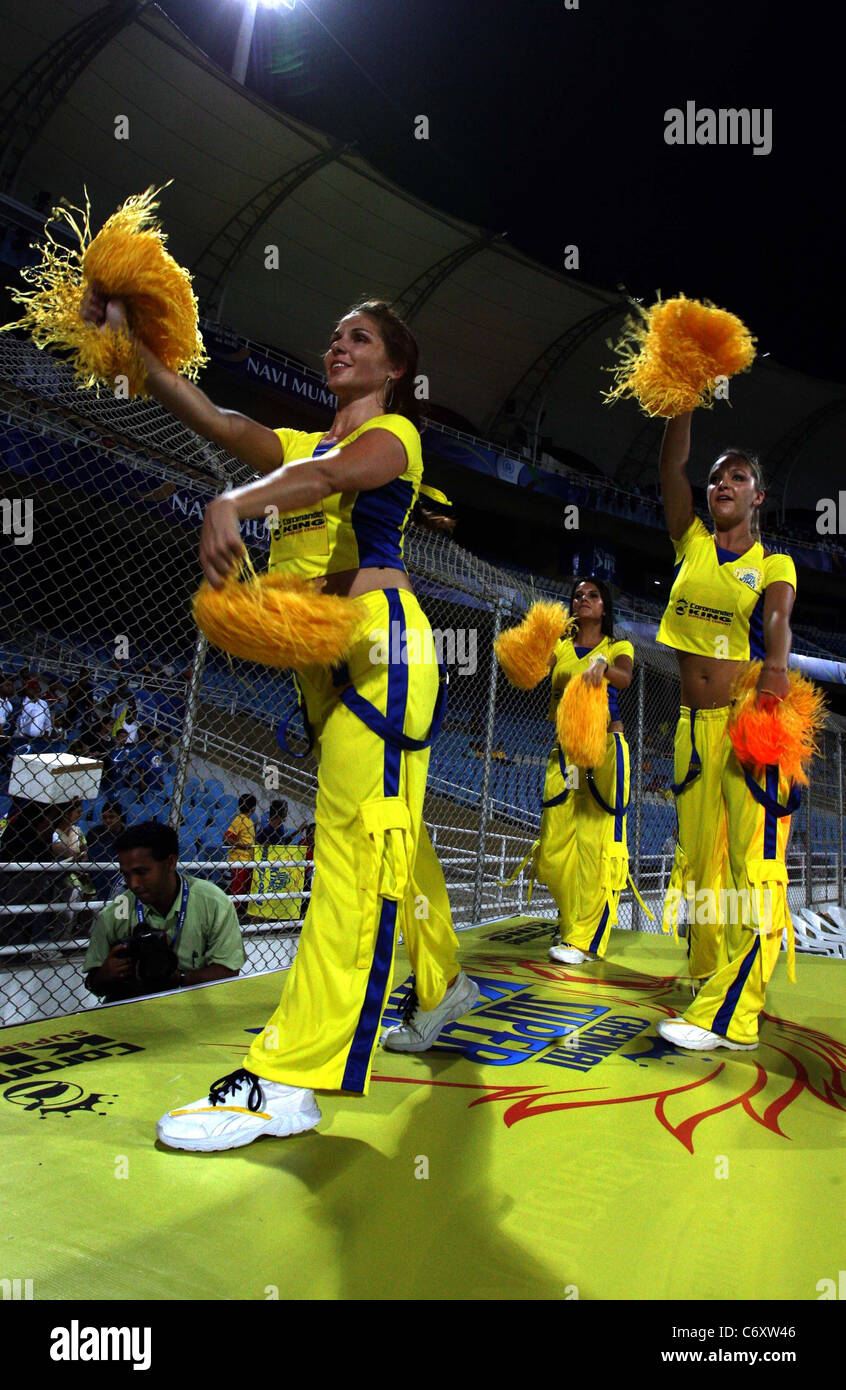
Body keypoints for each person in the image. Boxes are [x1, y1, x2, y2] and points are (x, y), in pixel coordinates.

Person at [82, 287, 475, 1150]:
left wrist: (233, 504)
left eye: (360, 337)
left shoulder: (392, 437)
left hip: (382, 651)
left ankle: (294, 1077)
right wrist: (135, 351)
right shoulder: (299, 440)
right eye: (333, 334)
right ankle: (443, 985)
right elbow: (220, 420)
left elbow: (329, 478)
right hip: (320, 669)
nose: (338, 345)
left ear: (395, 366)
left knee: (350, 851)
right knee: (392, 835)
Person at [654, 413, 797, 1051]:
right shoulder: (690, 542)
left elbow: (778, 619)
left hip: (749, 727)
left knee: (751, 868)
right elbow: (669, 470)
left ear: (757, 496)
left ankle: (733, 1016)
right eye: (716, 477)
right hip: (690, 729)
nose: (723, 484)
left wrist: (774, 668)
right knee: (701, 868)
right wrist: (680, 403)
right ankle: (712, 980)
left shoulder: (773, 562)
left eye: (738, 477)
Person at [533, 577, 635, 966]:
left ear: (604, 606)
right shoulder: (560, 646)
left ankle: (584, 939)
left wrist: (603, 669)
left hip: (606, 748)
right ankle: (572, 921)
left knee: (596, 847)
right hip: (564, 751)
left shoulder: (616, 646)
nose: (583, 599)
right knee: (553, 852)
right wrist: (541, 635)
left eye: (592, 595)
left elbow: (624, 677)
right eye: (577, 595)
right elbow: (529, 675)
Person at [83, 821, 245, 1002]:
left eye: (141, 872)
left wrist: (177, 977)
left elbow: (228, 972)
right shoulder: (115, 913)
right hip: (131, 1010)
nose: (133, 884)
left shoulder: (213, 903)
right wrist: (106, 974)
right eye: (126, 874)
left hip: (195, 1007)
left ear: (170, 863)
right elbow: (94, 984)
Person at [224, 792, 257, 917]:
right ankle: (231, 913)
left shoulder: (249, 821)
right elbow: (227, 837)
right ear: (253, 808)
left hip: (247, 860)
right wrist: (242, 845)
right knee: (238, 888)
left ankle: (240, 912)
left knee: (244, 888)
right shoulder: (239, 819)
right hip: (238, 859)